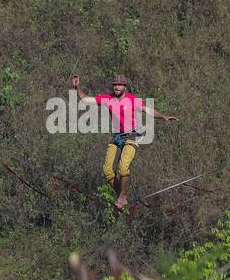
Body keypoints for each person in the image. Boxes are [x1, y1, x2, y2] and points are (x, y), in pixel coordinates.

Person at [71, 73, 177, 211]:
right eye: (115, 85)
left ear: (125, 87)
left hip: (132, 135)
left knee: (123, 167)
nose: (116, 87)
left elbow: (148, 110)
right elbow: (85, 99)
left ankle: (121, 197)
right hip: (117, 137)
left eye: (119, 85)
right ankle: (122, 196)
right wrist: (77, 87)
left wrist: (164, 116)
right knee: (107, 170)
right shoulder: (107, 99)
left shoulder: (132, 100)